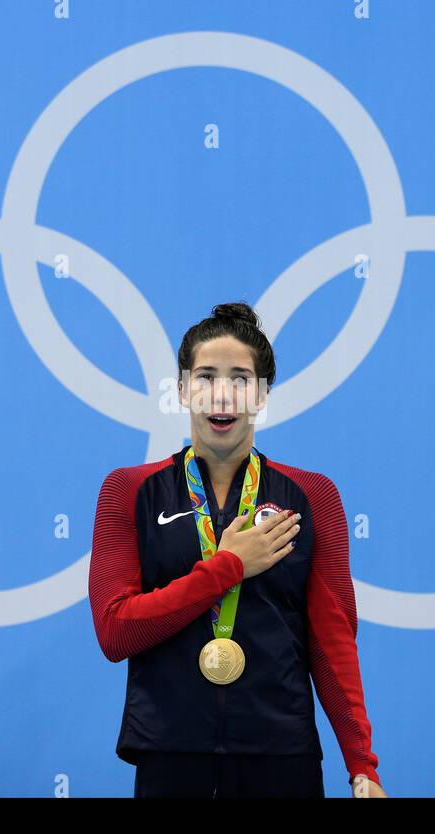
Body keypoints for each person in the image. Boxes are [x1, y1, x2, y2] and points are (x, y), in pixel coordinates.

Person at [89, 301, 387, 798]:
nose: (222, 395)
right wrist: (227, 567)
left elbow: (332, 643)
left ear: (262, 394)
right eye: (205, 377)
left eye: (241, 379)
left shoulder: (312, 496)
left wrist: (362, 765)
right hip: (170, 752)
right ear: (182, 389)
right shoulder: (129, 490)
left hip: (281, 754)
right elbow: (116, 631)